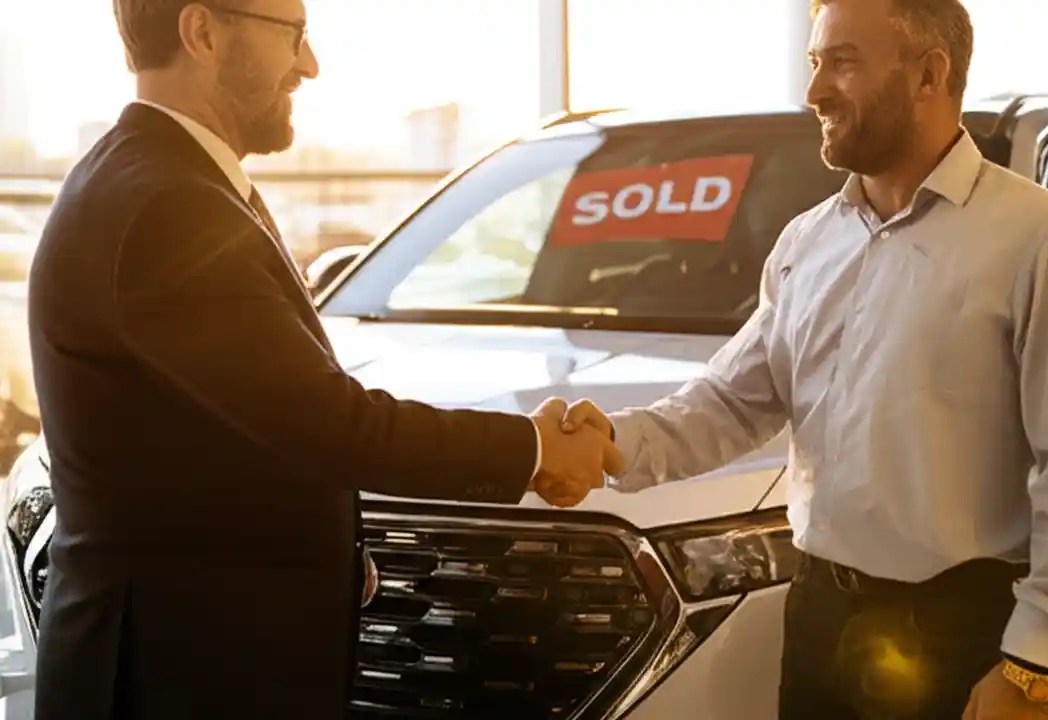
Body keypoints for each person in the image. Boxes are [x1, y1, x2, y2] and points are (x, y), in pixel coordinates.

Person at [28, 1, 617, 717]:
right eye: (295, 37)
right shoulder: (170, 204)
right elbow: (326, 423)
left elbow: (223, 429)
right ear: (204, 33)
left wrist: (330, 556)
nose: (309, 65)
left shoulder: (150, 178)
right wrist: (532, 449)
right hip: (182, 673)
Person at [558, 0, 1048, 717]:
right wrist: (615, 443)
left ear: (930, 75)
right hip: (822, 622)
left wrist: (1033, 663)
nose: (815, 91)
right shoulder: (808, 243)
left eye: (843, 62)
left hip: (972, 638)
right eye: (814, 63)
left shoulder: (1042, 240)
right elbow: (736, 401)